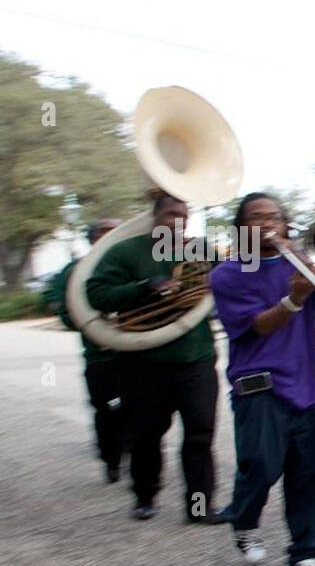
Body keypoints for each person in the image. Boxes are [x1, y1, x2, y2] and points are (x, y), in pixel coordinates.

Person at [209, 193, 315, 566]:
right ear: (240, 228)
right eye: (256, 218)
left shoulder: (299, 264)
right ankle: (245, 519)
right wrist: (294, 297)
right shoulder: (228, 274)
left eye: (275, 217)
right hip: (259, 384)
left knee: (310, 472)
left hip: (311, 384)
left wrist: (310, 266)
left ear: (287, 225)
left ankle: (305, 553)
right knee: (261, 467)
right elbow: (260, 326)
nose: (267, 224)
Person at [85, 191, 219, 523]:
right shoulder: (125, 251)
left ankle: (199, 507)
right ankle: (145, 496)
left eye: (184, 216)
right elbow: (96, 294)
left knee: (200, 435)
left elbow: (229, 283)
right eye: (172, 215)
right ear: (154, 218)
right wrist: (144, 287)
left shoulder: (201, 250)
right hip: (144, 361)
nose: (180, 222)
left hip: (196, 356)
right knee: (146, 434)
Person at [46, 219, 129, 483]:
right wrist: (89, 325)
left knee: (141, 406)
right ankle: (111, 459)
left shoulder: (128, 261)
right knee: (105, 409)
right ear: (93, 239)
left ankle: (136, 452)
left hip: (134, 352)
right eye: (104, 234)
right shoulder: (75, 270)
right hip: (99, 353)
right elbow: (62, 305)